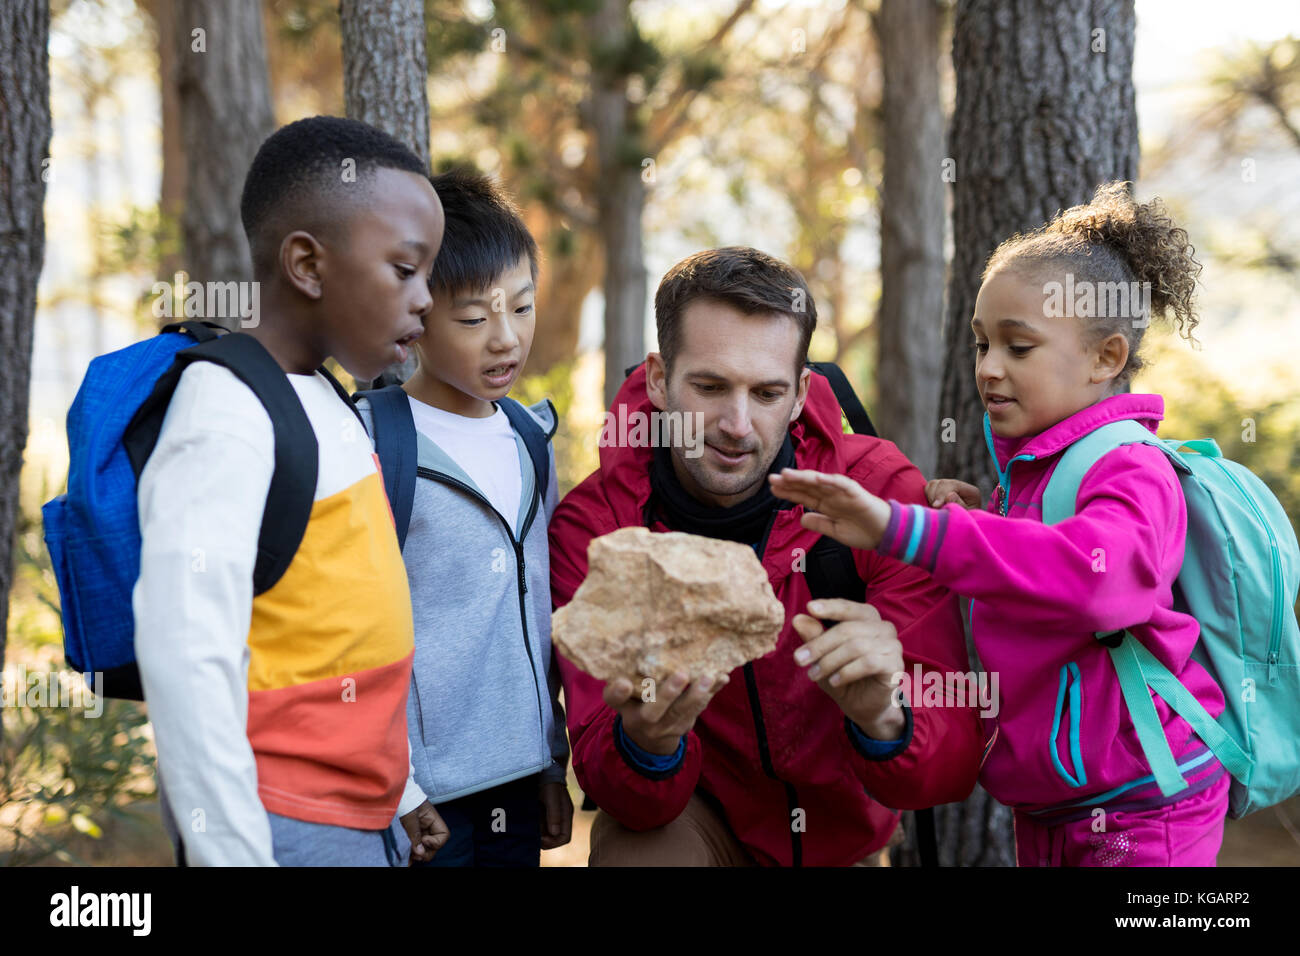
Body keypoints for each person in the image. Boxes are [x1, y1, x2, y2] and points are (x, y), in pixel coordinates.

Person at [769, 182, 1229, 867]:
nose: (988, 369)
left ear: (1107, 358)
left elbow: (1095, 580)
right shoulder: (1037, 478)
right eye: (982, 344)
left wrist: (908, 530)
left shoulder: (1133, 468)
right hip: (1053, 809)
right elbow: (1039, 577)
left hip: (1147, 806)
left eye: (1018, 347)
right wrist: (980, 518)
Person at [549, 246, 982, 866]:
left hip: (845, 839)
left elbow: (951, 766)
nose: (737, 423)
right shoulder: (597, 529)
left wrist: (886, 716)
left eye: (766, 393)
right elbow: (616, 784)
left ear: (803, 393)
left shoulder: (878, 495)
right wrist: (647, 744)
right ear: (658, 380)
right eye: (710, 386)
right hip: (695, 824)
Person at [134, 116, 449, 866]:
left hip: (358, 814)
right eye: (405, 270)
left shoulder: (326, 399)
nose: (427, 299)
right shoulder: (229, 407)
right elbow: (187, 655)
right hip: (277, 818)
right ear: (307, 265)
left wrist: (398, 790)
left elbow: (328, 625)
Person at [357, 169, 572, 867]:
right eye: (475, 318)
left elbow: (536, 612)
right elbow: (351, 630)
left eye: (522, 307)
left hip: (517, 780)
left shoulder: (531, 440)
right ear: (416, 315)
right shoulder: (369, 442)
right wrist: (397, 786)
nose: (506, 339)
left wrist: (549, 760)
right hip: (421, 797)